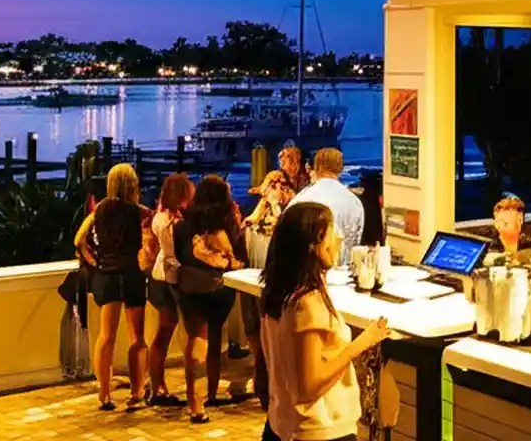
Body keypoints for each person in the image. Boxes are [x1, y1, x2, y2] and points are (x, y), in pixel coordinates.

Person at [259, 202, 391, 441]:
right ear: (313, 245)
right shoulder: (307, 303)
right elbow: (308, 387)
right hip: (318, 429)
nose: (339, 239)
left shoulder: (277, 294)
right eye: (331, 232)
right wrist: (362, 342)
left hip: (281, 423)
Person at [75, 163, 154, 411]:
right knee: (137, 338)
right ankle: (136, 391)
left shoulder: (99, 210)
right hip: (130, 274)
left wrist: (94, 261)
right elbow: (149, 246)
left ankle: (104, 393)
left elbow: (79, 240)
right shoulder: (140, 213)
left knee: (106, 336)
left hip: (106, 274)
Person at [174, 175, 247, 423]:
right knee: (215, 339)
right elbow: (238, 256)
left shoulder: (184, 225)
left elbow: (178, 255)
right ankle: (212, 393)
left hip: (190, 287)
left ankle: (195, 401)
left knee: (195, 340)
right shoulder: (228, 223)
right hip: (219, 288)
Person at [142, 172, 192, 407]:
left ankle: (156, 385)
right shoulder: (165, 221)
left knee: (165, 333)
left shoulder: (165, 217)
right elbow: (171, 255)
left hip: (163, 277)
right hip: (165, 279)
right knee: (163, 334)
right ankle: (157, 387)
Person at [288, 148, 364, 266]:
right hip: (343, 270)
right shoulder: (354, 202)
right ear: (340, 168)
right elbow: (355, 242)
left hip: (306, 270)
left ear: (316, 167)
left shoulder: (301, 198)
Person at [490, 193, 531, 263]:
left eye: (505, 222)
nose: (498, 225)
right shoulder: (487, 245)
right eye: (497, 220)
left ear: (520, 220)